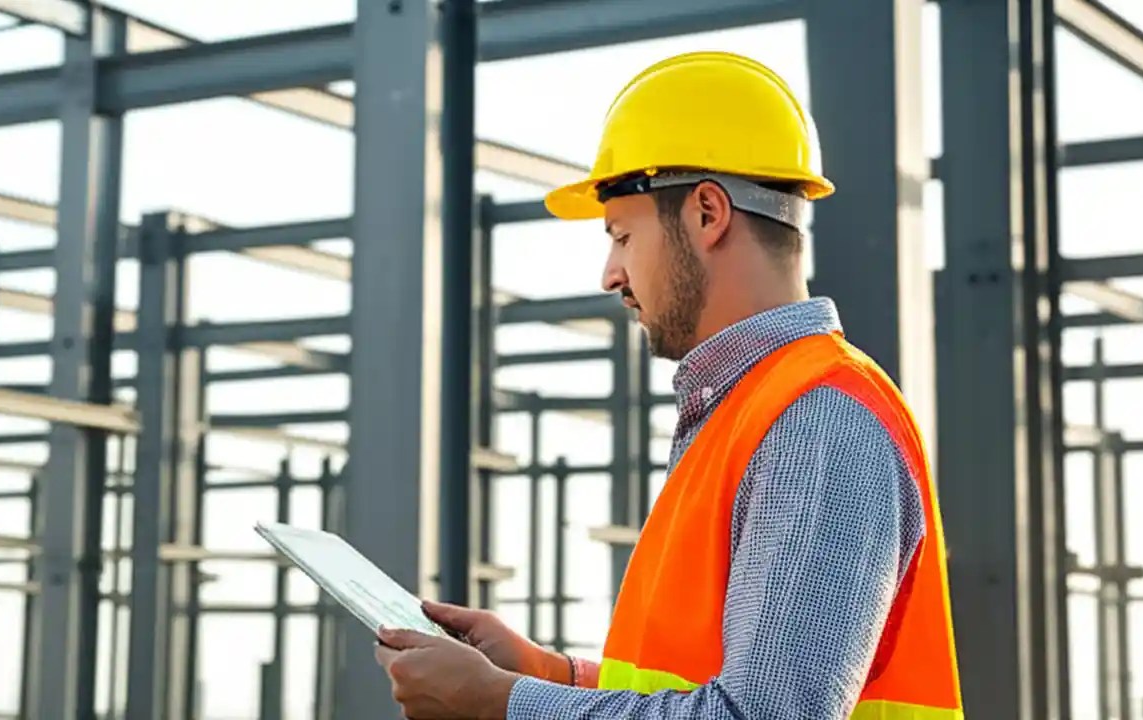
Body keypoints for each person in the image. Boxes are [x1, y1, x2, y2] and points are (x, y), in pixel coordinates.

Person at [373, 51, 964, 719]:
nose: (610, 273)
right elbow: (693, 690)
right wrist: (546, 673)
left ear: (708, 213)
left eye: (623, 235)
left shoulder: (817, 418)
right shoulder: (751, 411)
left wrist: (502, 705)